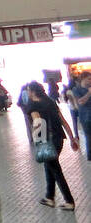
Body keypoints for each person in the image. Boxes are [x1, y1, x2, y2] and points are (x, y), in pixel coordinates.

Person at [26, 82, 76, 211]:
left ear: (32, 91)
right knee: (49, 166)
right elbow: (63, 121)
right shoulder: (50, 101)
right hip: (59, 139)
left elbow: (38, 124)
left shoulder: (32, 105)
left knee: (56, 170)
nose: (27, 93)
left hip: (46, 140)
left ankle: (69, 201)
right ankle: (49, 197)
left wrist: (38, 143)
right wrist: (72, 138)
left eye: (28, 91)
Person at [72, 73, 91, 161]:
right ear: (82, 79)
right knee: (89, 137)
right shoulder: (76, 89)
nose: (90, 81)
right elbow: (80, 102)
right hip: (86, 118)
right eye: (89, 79)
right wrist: (89, 93)